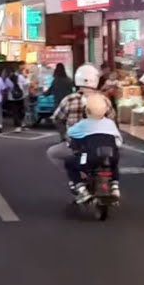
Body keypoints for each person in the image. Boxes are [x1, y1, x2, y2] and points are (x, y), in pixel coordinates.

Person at [47, 64, 119, 199]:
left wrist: (64, 136)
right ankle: (114, 186)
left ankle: (76, 180)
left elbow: (57, 119)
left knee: (53, 153)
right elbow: (112, 119)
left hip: (77, 146)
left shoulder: (69, 99)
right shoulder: (103, 100)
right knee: (113, 159)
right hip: (103, 145)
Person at [65, 92, 123, 202]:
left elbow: (70, 133)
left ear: (86, 111)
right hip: (111, 157)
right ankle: (115, 187)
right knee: (114, 165)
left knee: (69, 162)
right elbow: (119, 141)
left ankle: (82, 189)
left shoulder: (83, 124)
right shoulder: (110, 123)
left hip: (89, 158)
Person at [6, 66, 30, 132]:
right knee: (21, 111)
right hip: (21, 96)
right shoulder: (20, 77)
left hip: (12, 97)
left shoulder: (8, 79)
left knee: (15, 112)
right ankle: (22, 124)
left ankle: (18, 126)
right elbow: (26, 83)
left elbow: (7, 88)